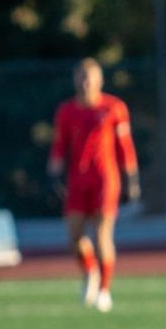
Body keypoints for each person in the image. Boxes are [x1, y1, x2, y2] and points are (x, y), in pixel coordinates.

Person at [48, 58, 139, 313]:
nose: (86, 82)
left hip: (105, 179)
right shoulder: (66, 111)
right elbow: (59, 146)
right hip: (77, 180)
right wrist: (53, 176)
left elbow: (125, 146)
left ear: (100, 80)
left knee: (101, 236)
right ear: (76, 80)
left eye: (91, 77)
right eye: (82, 77)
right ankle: (90, 271)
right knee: (74, 238)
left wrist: (131, 178)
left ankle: (104, 291)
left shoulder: (114, 108)